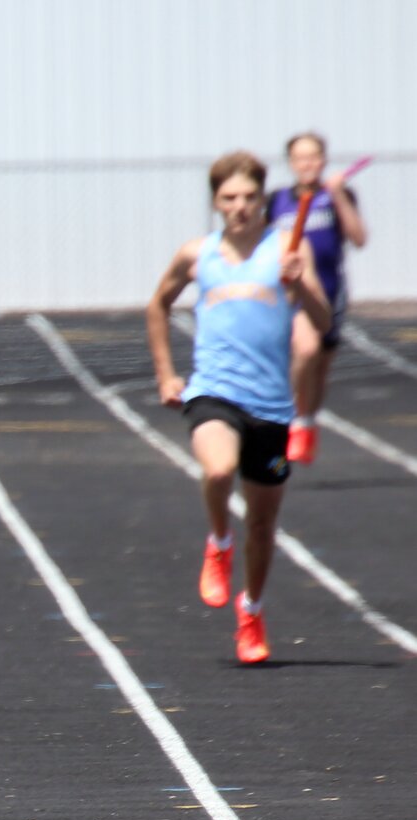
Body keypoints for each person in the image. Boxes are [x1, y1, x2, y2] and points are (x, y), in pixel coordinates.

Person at [146, 151, 330, 664]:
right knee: (219, 468)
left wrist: (302, 286)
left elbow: (320, 318)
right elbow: (157, 304)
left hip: (270, 406)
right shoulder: (197, 254)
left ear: (262, 199)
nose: (240, 206)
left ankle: (251, 610)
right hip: (213, 391)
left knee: (265, 525)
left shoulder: (287, 252)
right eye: (229, 198)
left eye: (249, 197)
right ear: (215, 202)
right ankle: (219, 541)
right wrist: (166, 374)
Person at [267, 132, 368, 464]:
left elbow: (358, 238)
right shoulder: (278, 200)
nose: (307, 163)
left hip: (329, 291)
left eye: (313, 156)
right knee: (305, 349)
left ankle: (306, 422)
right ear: (291, 163)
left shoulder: (338, 194)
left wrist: (338, 195)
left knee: (321, 366)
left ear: (323, 160)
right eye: (300, 157)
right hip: (293, 293)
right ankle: (290, 417)